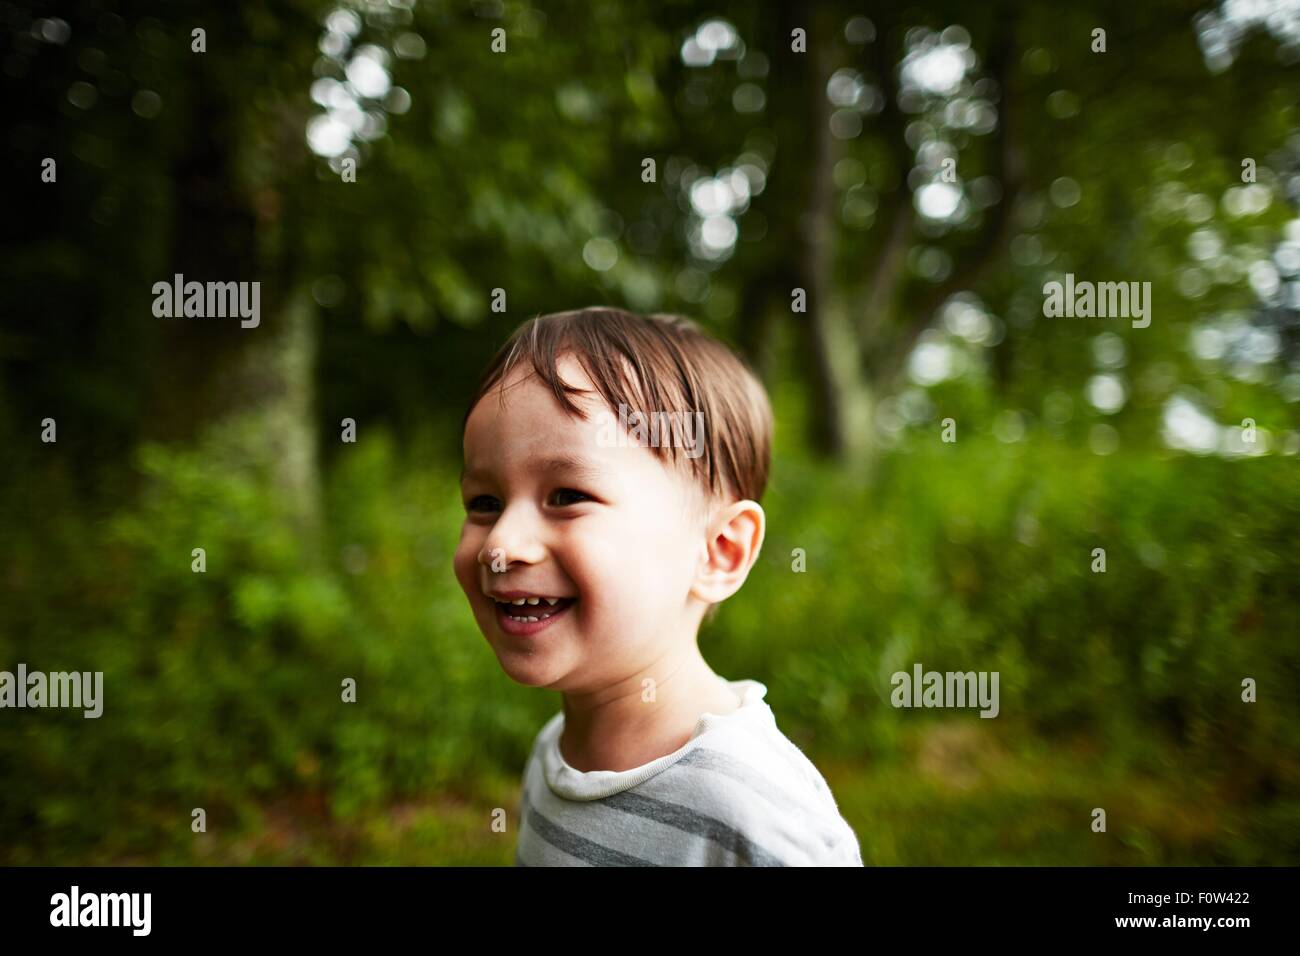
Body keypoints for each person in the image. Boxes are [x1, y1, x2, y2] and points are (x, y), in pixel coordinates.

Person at [454, 306, 863, 866]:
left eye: (567, 496)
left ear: (719, 551)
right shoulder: (556, 750)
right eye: (484, 502)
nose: (502, 543)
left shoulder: (754, 813)